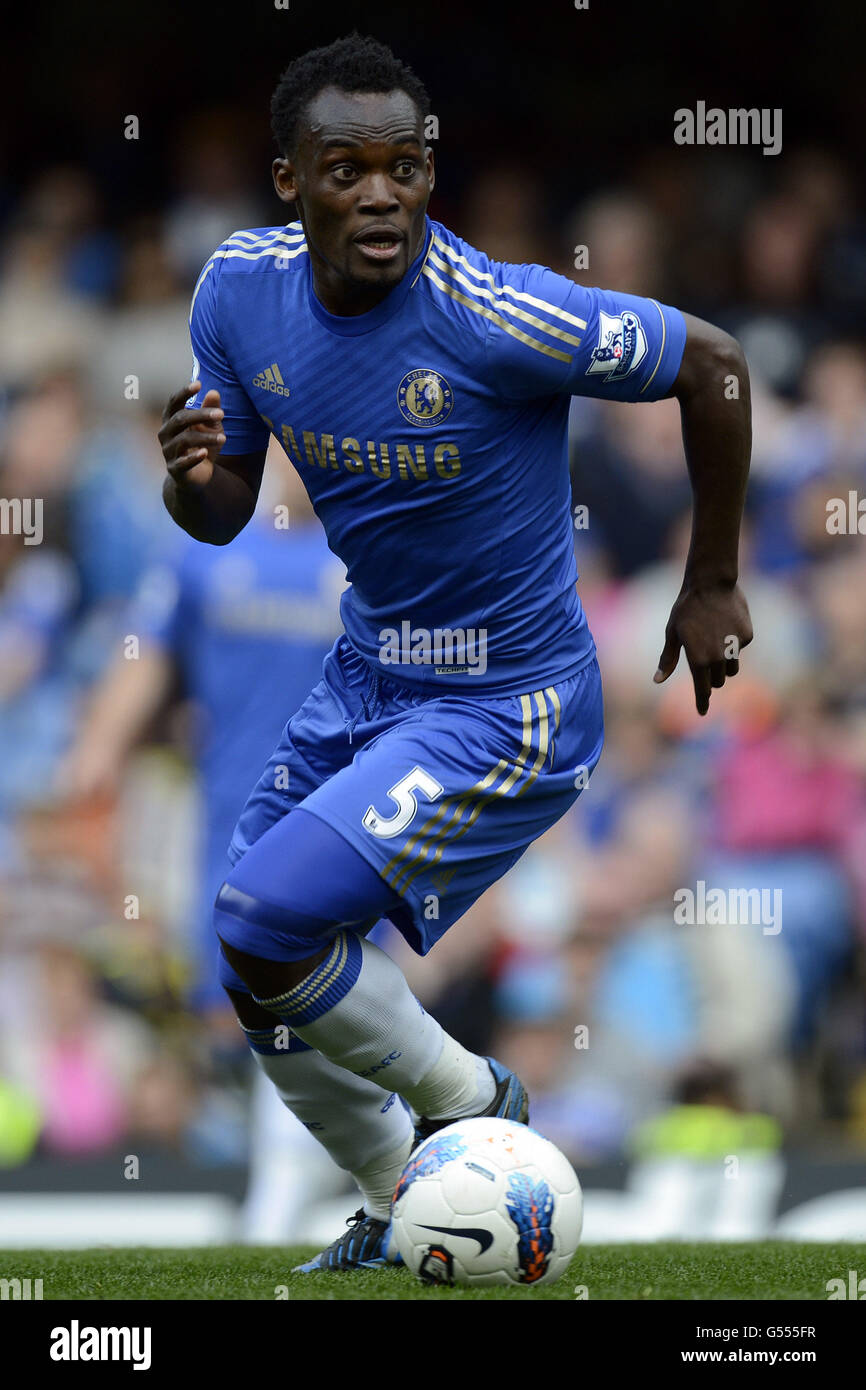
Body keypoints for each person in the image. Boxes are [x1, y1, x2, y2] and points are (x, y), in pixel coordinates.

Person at [158, 33, 753, 1272]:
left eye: (406, 168)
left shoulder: (496, 312)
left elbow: (714, 365)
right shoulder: (238, 292)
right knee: (250, 951)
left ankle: (473, 1102)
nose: (381, 195)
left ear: (431, 173)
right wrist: (189, 478)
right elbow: (220, 511)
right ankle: (394, 1201)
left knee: (265, 916)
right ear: (290, 180)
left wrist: (707, 580)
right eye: (347, 171)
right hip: (367, 675)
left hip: (505, 703)